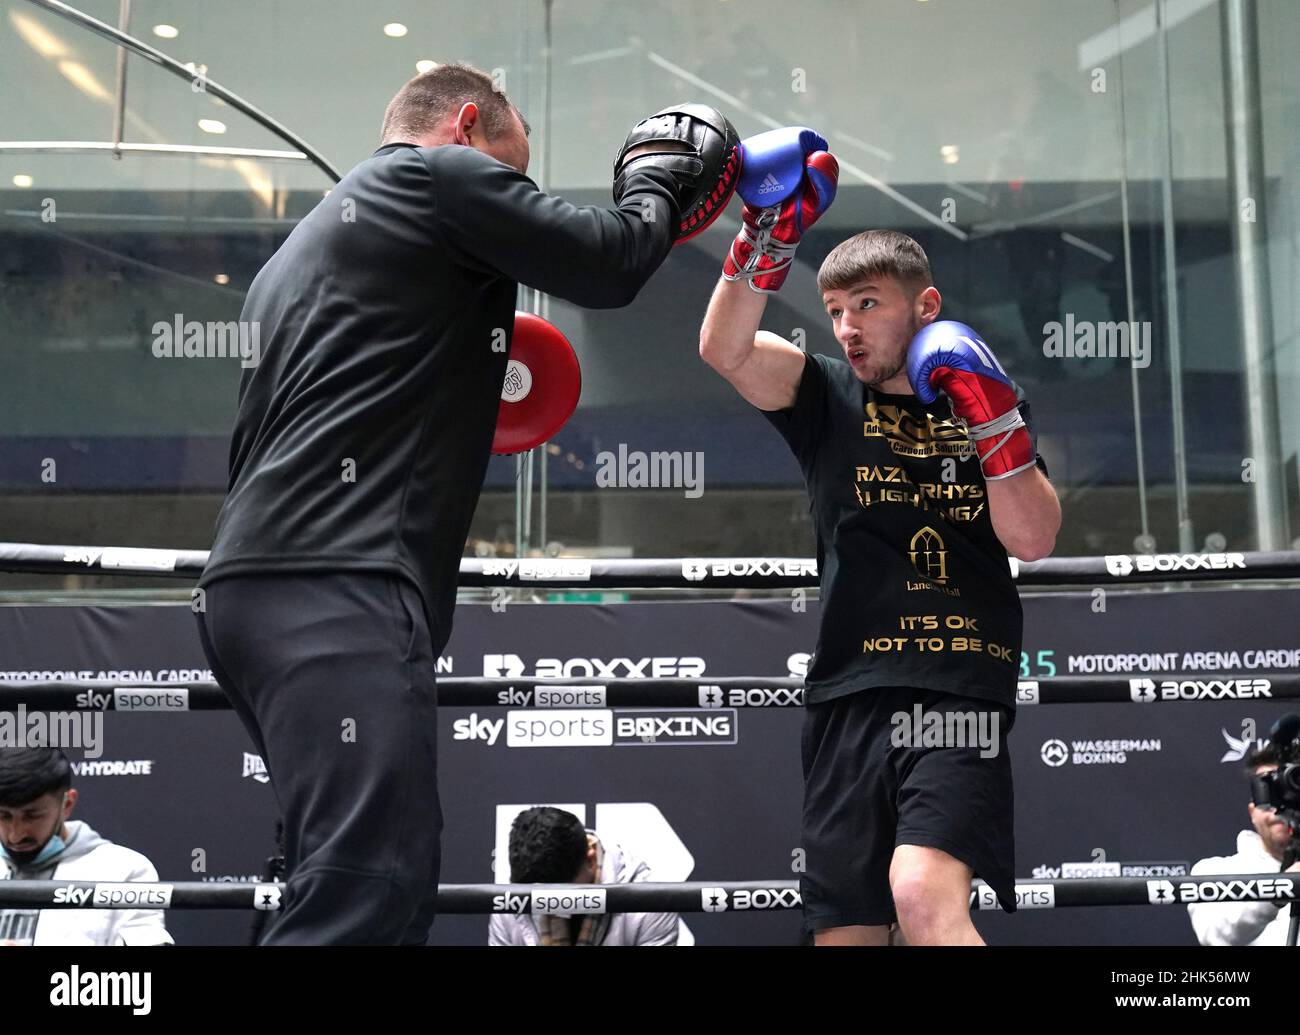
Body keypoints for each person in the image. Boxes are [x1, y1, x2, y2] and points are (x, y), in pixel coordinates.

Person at [193, 62, 731, 945]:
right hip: (340, 591)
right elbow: (607, 259)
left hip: (251, 596)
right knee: (369, 888)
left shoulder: (301, 250)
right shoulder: (433, 176)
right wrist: (656, 183)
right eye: (511, 174)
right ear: (470, 124)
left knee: (331, 878)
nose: (510, 197)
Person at [699, 129, 1061, 946]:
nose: (848, 327)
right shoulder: (824, 394)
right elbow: (723, 349)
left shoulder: (988, 399)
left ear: (924, 307)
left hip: (956, 684)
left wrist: (995, 425)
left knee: (924, 894)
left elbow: (1033, 538)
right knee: (848, 936)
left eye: (867, 304)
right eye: (834, 311)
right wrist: (767, 235)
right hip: (845, 694)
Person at [0, 748, 173, 946]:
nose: (16, 834)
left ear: (67, 804)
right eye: (4, 816)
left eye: (32, 816)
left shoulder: (125, 870)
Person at [489, 807, 677, 946]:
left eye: (557, 897)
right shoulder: (513, 899)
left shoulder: (647, 902)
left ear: (591, 859)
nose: (546, 907)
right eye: (537, 899)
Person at [1188, 742, 1300, 946]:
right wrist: (1283, 886)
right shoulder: (1215, 871)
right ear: (1252, 812)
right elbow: (1217, 936)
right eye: (1271, 795)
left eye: (1290, 794)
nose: (1278, 809)